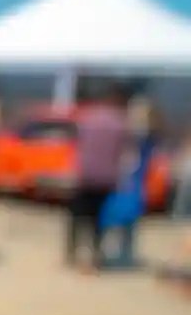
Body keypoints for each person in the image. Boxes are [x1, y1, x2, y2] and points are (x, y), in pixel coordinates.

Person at [68, 84, 130, 274]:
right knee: (99, 221)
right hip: (107, 178)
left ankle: (71, 254)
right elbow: (123, 154)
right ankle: (95, 257)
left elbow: (79, 146)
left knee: (77, 217)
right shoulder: (121, 124)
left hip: (86, 175)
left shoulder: (88, 119)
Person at [102, 95, 160, 267]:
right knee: (120, 219)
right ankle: (119, 254)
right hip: (129, 182)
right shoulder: (137, 136)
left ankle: (121, 254)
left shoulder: (142, 138)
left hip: (131, 182)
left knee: (122, 219)